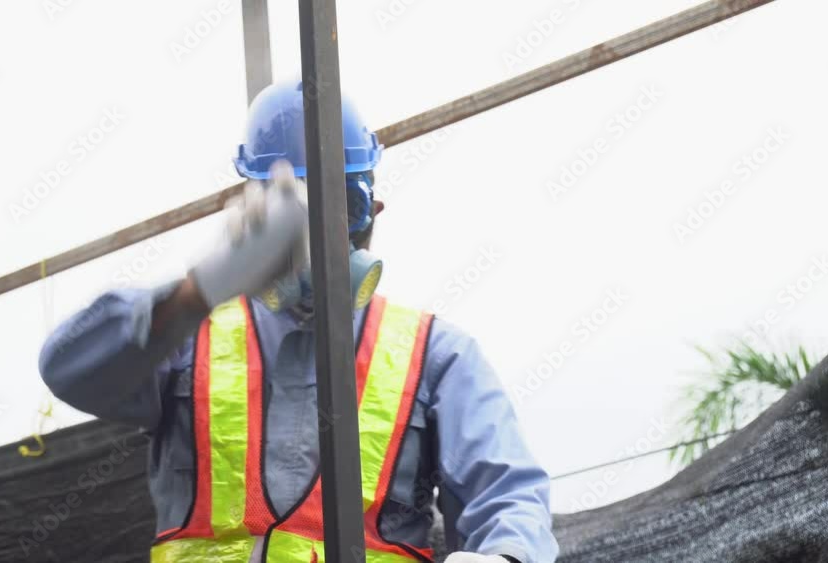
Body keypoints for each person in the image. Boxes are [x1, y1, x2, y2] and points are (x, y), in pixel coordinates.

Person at [39, 81, 558, 563]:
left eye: (343, 207)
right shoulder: (189, 342)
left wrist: (505, 558)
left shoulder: (437, 357)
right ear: (256, 213)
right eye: (298, 212)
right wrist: (201, 291)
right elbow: (69, 371)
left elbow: (509, 496)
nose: (319, 238)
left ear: (372, 210)